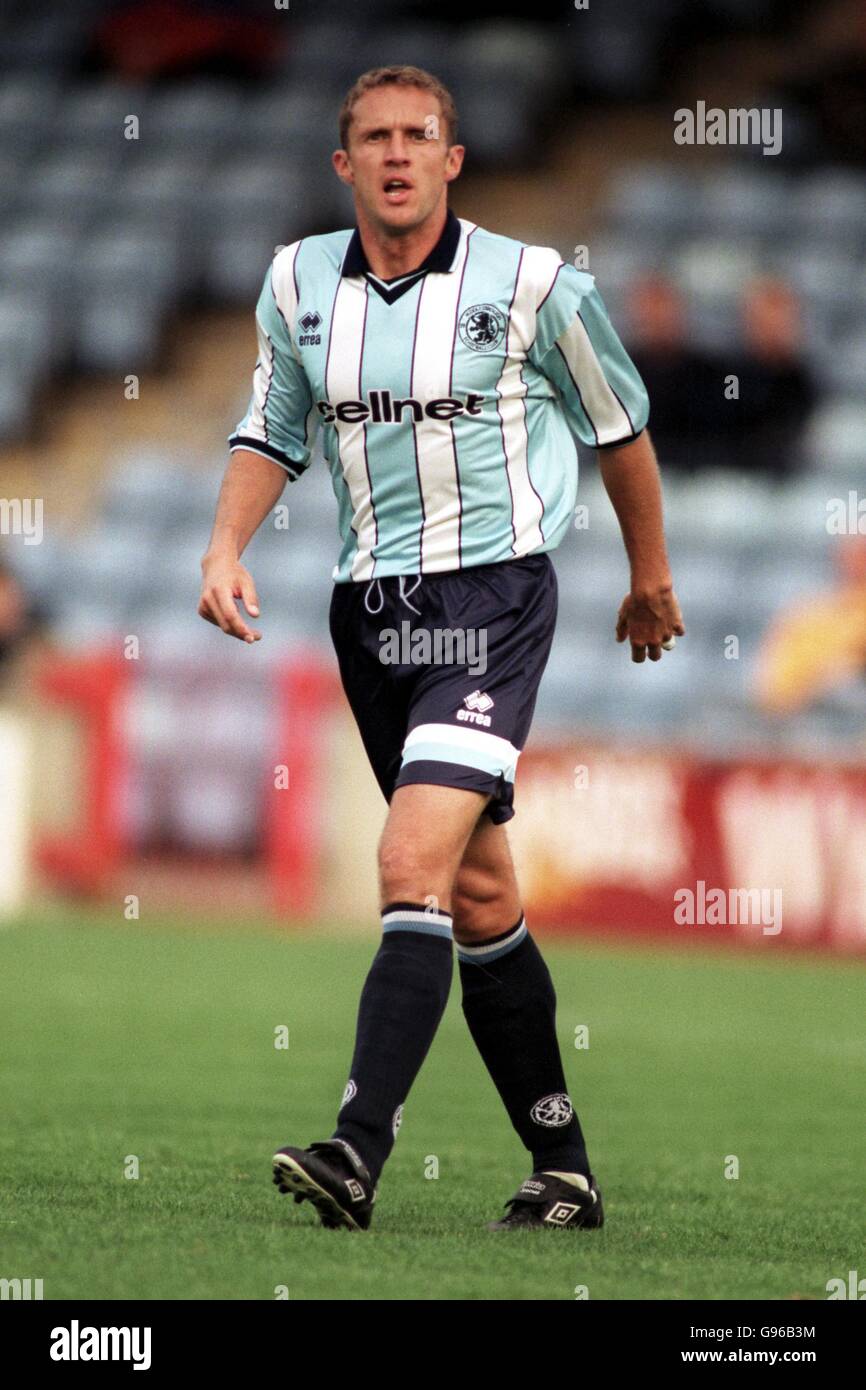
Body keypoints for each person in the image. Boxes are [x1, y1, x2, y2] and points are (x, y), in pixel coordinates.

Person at [199, 65, 684, 1233]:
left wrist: (650, 577)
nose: (399, 153)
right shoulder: (296, 282)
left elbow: (619, 432)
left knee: (408, 860)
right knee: (474, 893)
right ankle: (561, 1168)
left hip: (491, 601)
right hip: (368, 611)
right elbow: (273, 426)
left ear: (453, 159)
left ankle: (354, 1153)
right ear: (344, 163)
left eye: (420, 134)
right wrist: (222, 546)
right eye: (375, 137)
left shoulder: (533, 286)